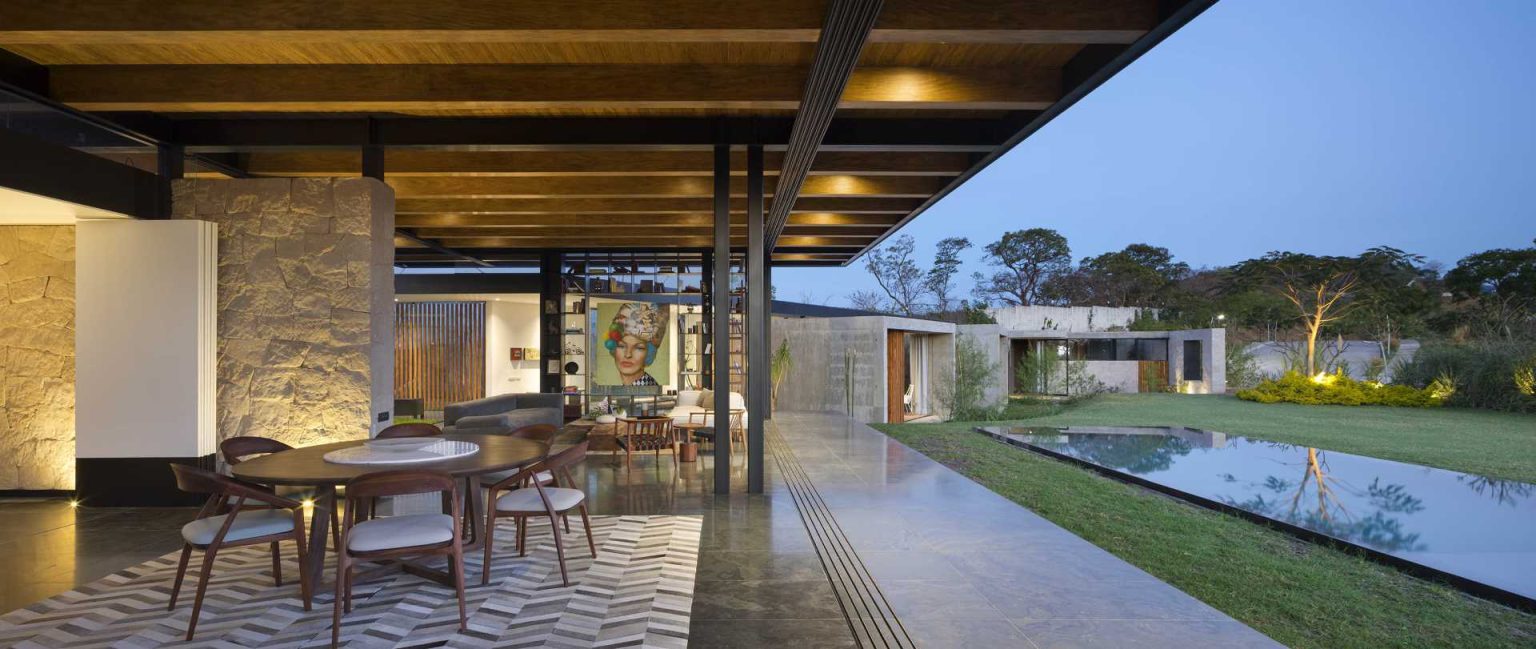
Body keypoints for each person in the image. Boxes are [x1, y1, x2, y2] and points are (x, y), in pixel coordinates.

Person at [604, 303, 666, 386]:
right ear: (613, 348)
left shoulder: (650, 387)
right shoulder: (627, 387)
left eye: (639, 348)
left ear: (649, 353)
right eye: (621, 346)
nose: (628, 355)